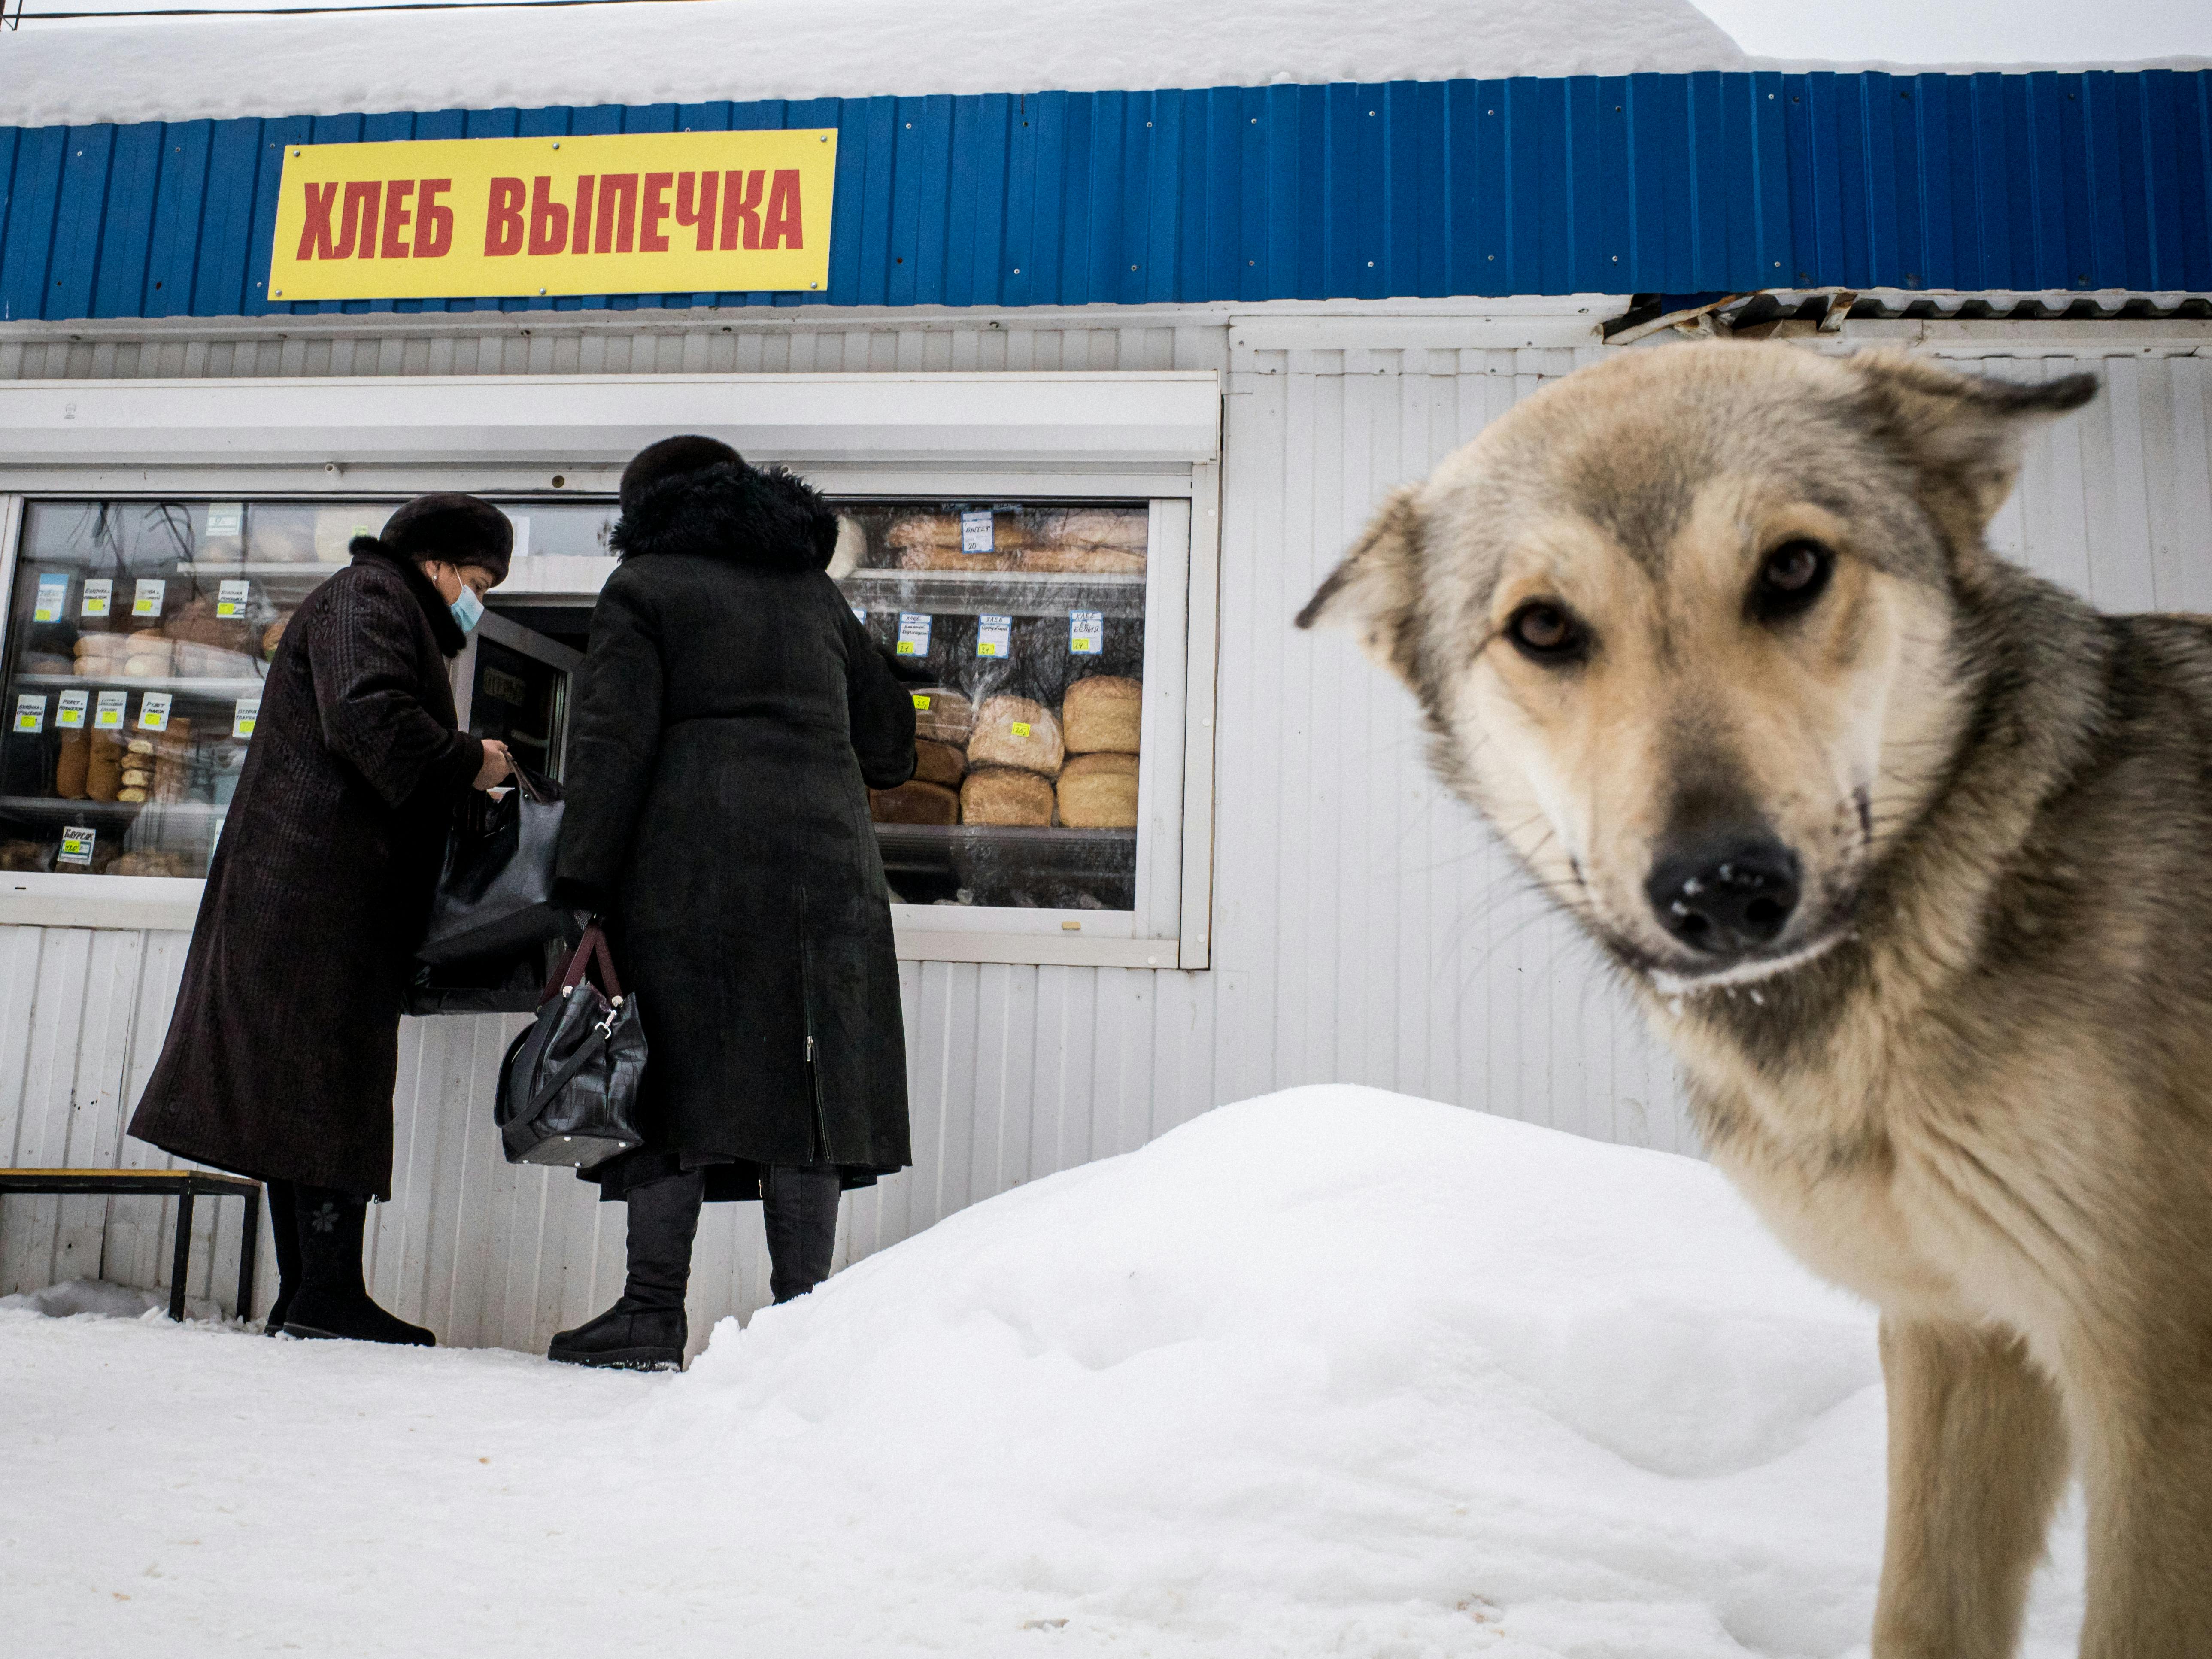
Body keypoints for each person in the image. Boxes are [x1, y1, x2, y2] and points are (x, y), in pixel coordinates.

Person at [549, 435, 916, 1372]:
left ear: (646, 512)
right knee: (810, 1092)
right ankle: (802, 1326)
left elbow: (610, 746)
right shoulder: (816, 593)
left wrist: (580, 888)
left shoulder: (646, 588)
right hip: (829, 880)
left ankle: (648, 1313)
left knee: (668, 1085)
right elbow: (892, 743)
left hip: (690, 879)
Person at [129, 494, 516, 1346]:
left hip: (318, 886)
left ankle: (312, 1291)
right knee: (325, 1080)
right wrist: (473, 760)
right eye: (477, 581)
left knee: (301, 1085)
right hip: (318, 889)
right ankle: (327, 1292)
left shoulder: (375, 604)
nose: (475, 601)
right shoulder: (371, 600)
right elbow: (369, 722)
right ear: (439, 565)